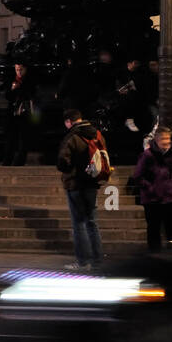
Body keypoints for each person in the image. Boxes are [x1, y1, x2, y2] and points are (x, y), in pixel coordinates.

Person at [55, 109, 106, 270]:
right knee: (92, 222)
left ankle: (83, 261)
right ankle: (98, 260)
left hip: (76, 183)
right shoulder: (97, 134)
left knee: (79, 224)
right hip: (92, 182)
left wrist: (68, 169)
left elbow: (63, 161)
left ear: (69, 121)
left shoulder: (72, 136)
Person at [130, 126, 172, 251]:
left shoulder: (170, 153)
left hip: (168, 198)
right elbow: (137, 176)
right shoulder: (147, 155)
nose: (167, 141)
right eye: (164, 138)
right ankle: (155, 256)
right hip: (152, 200)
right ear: (157, 139)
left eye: (168, 138)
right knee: (154, 229)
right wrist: (151, 188)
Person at [2, 64, 37, 167]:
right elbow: (7, 96)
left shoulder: (29, 81)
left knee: (23, 138)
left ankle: (19, 161)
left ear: (25, 69)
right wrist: (13, 89)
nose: (19, 72)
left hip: (24, 113)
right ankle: (7, 160)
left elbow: (31, 94)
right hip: (12, 113)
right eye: (17, 70)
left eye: (21, 69)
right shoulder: (12, 80)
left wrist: (20, 88)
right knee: (10, 138)